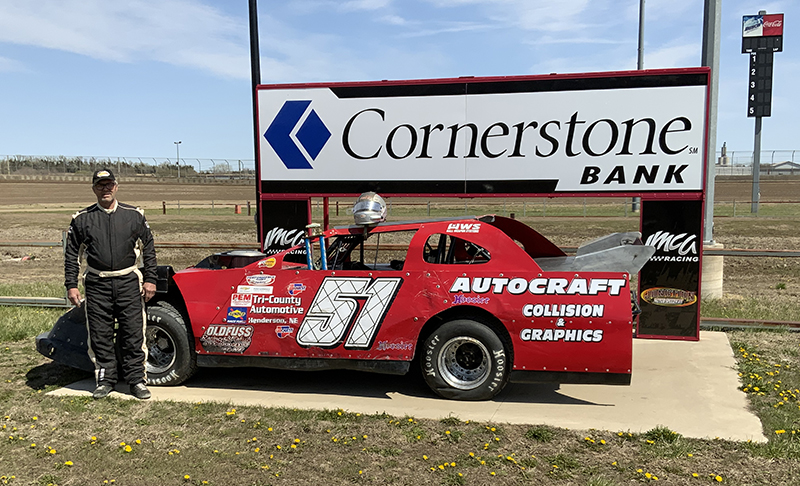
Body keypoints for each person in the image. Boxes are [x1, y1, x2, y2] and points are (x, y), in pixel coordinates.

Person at [64, 169, 158, 400]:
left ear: (116, 186)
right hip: (97, 284)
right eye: (100, 185)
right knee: (100, 335)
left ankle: (137, 381)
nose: (105, 189)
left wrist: (150, 279)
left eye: (109, 185)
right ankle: (105, 380)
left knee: (133, 334)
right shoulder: (81, 219)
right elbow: (71, 255)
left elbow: (150, 250)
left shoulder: (134, 215)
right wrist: (71, 285)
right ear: (94, 188)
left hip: (128, 282)